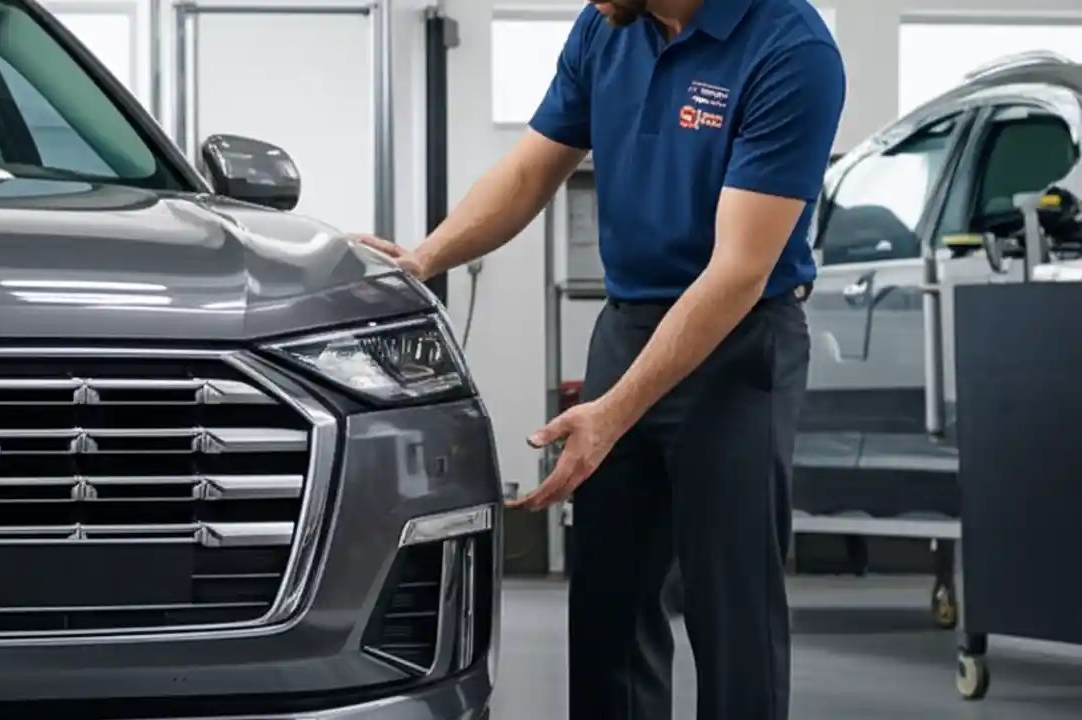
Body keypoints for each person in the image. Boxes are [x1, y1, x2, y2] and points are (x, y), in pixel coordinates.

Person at [359, 0, 845, 717]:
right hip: (627, 326)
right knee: (609, 602)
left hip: (739, 341)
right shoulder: (608, 26)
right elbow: (529, 172)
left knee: (731, 608)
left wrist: (615, 410)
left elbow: (738, 270)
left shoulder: (790, 47)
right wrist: (424, 259)